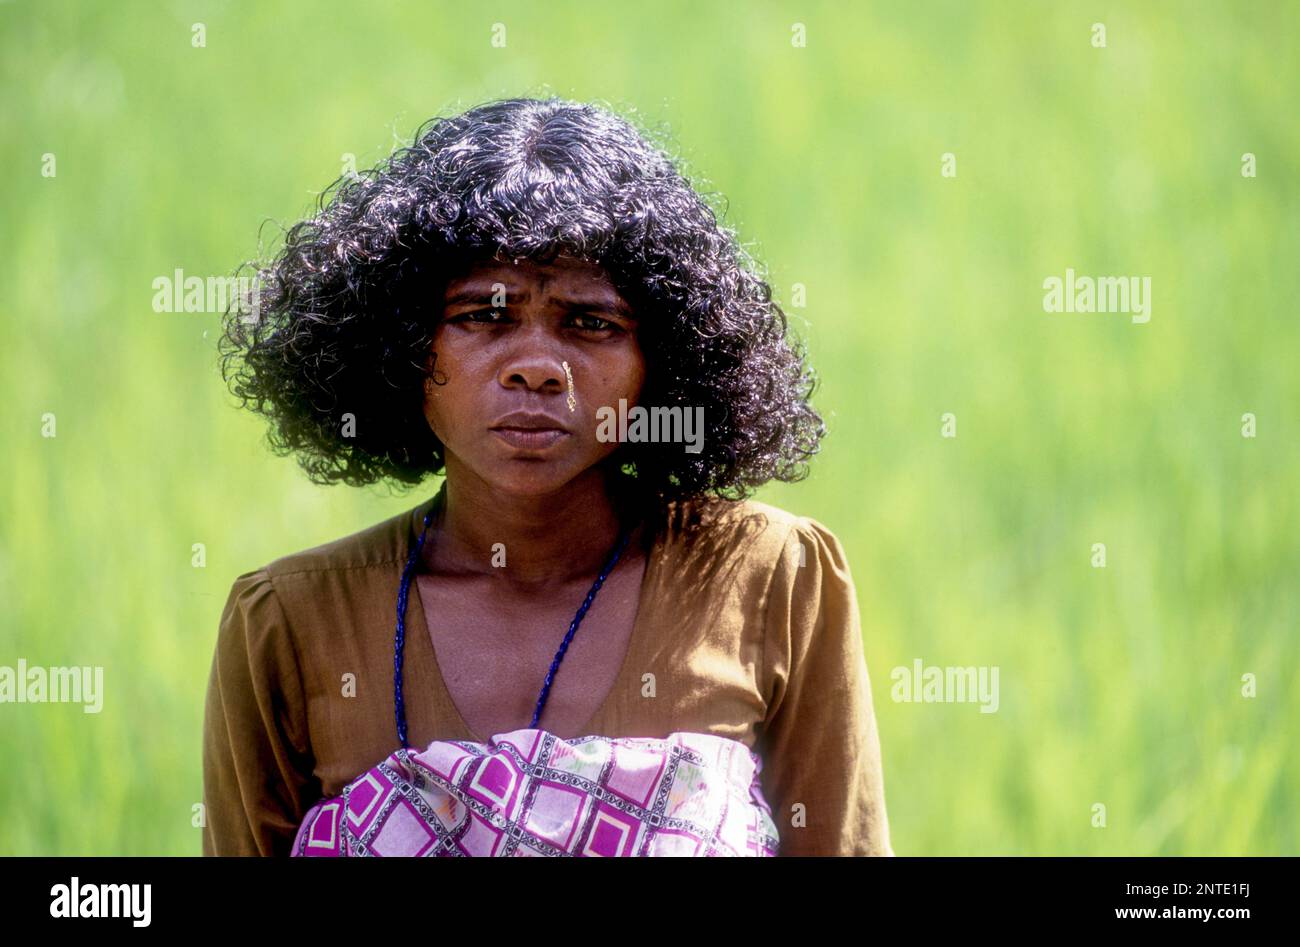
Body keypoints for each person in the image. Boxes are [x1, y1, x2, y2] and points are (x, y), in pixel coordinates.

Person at [204, 96, 893, 857]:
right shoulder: (292, 622)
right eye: (483, 316)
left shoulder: (770, 578)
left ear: (661, 360)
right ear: (400, 343)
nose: (536, 365)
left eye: (591, 323)